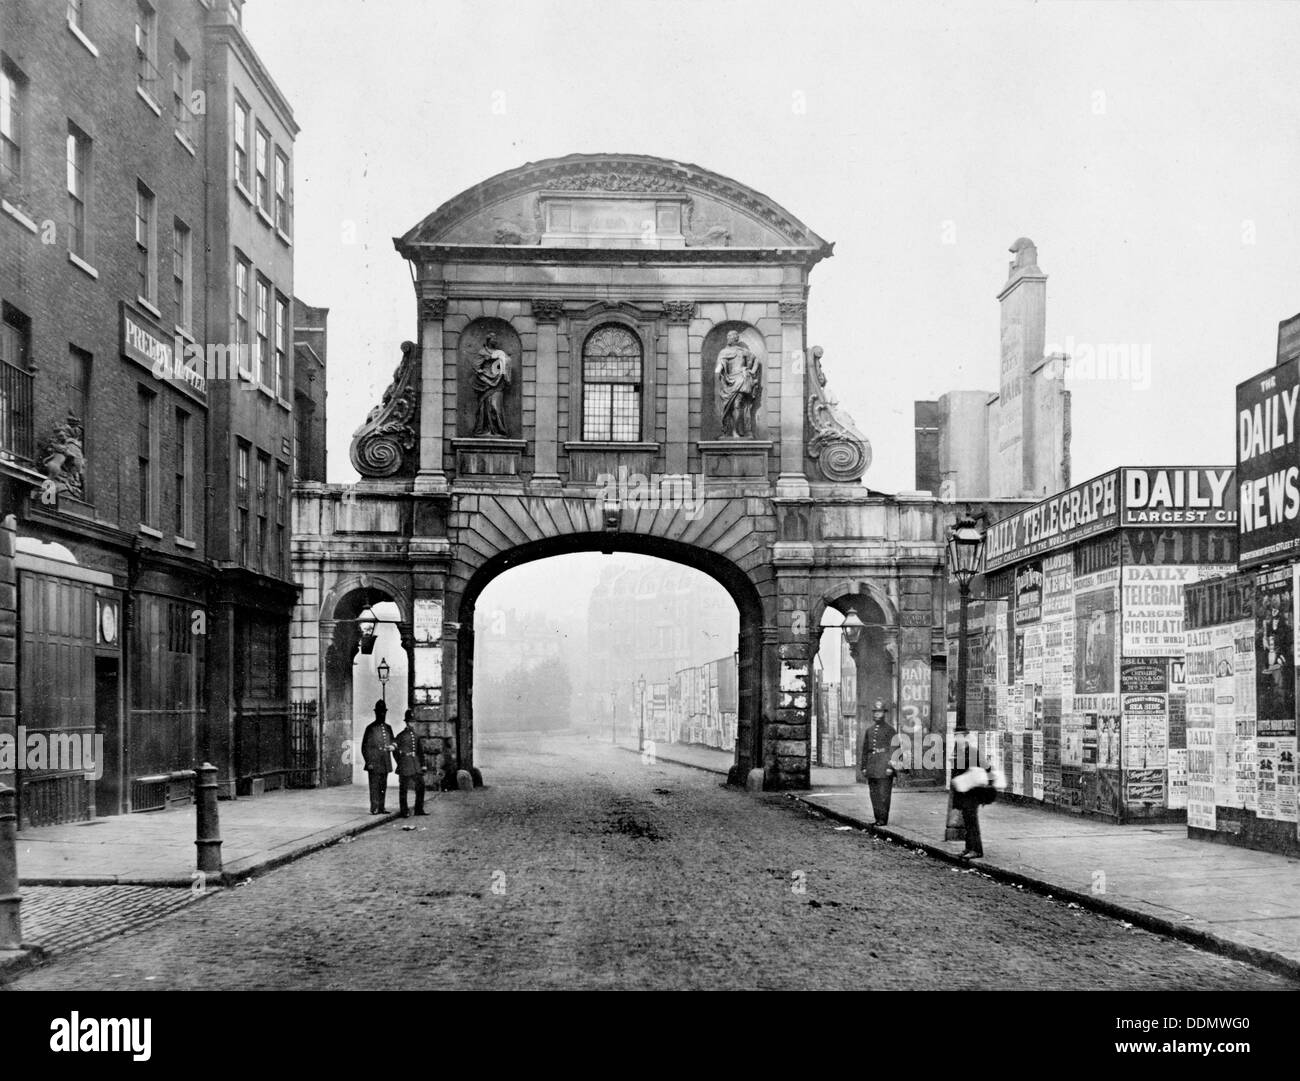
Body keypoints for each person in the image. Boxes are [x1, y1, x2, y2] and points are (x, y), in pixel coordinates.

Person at [950, 730, 991, 860]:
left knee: (972, 820)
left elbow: (987, 767)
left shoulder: (973, 751)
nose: (957, 739)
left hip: (972, 792)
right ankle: (969, 847)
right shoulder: (959, 751)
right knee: (967, 820)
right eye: (956, 736)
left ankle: (976, 849)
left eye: (960, 736)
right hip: (963, 791)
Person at [715, 330, 762, 437]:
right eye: (728, 336)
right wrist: (719, 369)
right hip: (729, 382)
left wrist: (752, 371)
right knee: (728, 408)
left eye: (730, 336)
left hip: (741, 380)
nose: (728, 338)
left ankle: (737, 431)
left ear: (736, 338)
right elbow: (719, 368)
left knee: (737, 405)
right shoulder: (723, 352)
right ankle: (730, 431)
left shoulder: (743, 351)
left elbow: (756, 361)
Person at [860, 700, 900, 825]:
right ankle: (877, 818)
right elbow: (865, 749)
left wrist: (890, 767)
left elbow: (894, 749)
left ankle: (883, 819)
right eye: (875, 712)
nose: (877, 714)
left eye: (879, 712)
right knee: (874, 794)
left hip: (884, 766)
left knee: (884, 795)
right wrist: (864, 767)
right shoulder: (869, 730)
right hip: (872, 766)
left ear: (884, 713)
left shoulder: (890, 730)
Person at [471, 334, 512, 436]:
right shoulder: (483, 352)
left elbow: (507, 362)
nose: (496, 341)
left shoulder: (501, 353)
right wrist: (483, 370)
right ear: (489, 340)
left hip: (498, 381)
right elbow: (476, 365)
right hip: (485, 382)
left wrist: (504, 361)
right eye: (494, 339)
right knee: (484, 406)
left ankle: (498, 430)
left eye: (496, 338)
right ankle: (485, 430)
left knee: (495, 406)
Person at [360, 700, 396, 814]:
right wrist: (369, 762)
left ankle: (382, 807)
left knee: (382, 786)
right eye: (380, 712)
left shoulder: (388, 728)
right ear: (376, 713)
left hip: (385, 761)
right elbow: (364, 747)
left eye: (384, 712)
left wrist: (393, 746)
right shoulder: (370, 728)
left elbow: (393, 740)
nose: (382, 715)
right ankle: (374, 807)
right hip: (374, 762)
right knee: (374, 786)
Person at [394, 709, 427, 817]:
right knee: (403, 789)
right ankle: (404, 811)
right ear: (406, 722)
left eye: (413, 722)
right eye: (410, 722)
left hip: (415, 765)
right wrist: (400, 762)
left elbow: (420, 752)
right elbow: (395, 751)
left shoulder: (416, 736)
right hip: (405, 765)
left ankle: (419, 809)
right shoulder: (400, 736)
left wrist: (423, 765)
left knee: (421, 785)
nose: (412, 724)